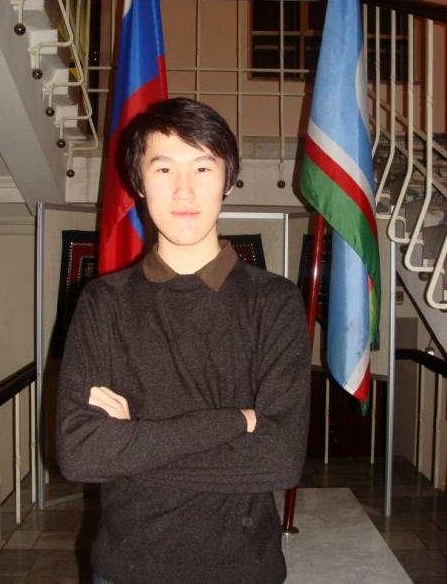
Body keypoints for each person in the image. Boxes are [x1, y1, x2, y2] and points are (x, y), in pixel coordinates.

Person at [56, 97, 310, 584]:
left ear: (228, 179)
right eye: (164, 168)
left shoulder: (274, 302)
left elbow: (280, 460)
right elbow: (80, 454)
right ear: (139, 183)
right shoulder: (103, 302)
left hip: (243, 568)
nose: (184, 190)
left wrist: (133, 442)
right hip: (125, 567)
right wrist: (235, 421)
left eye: (203, 167)